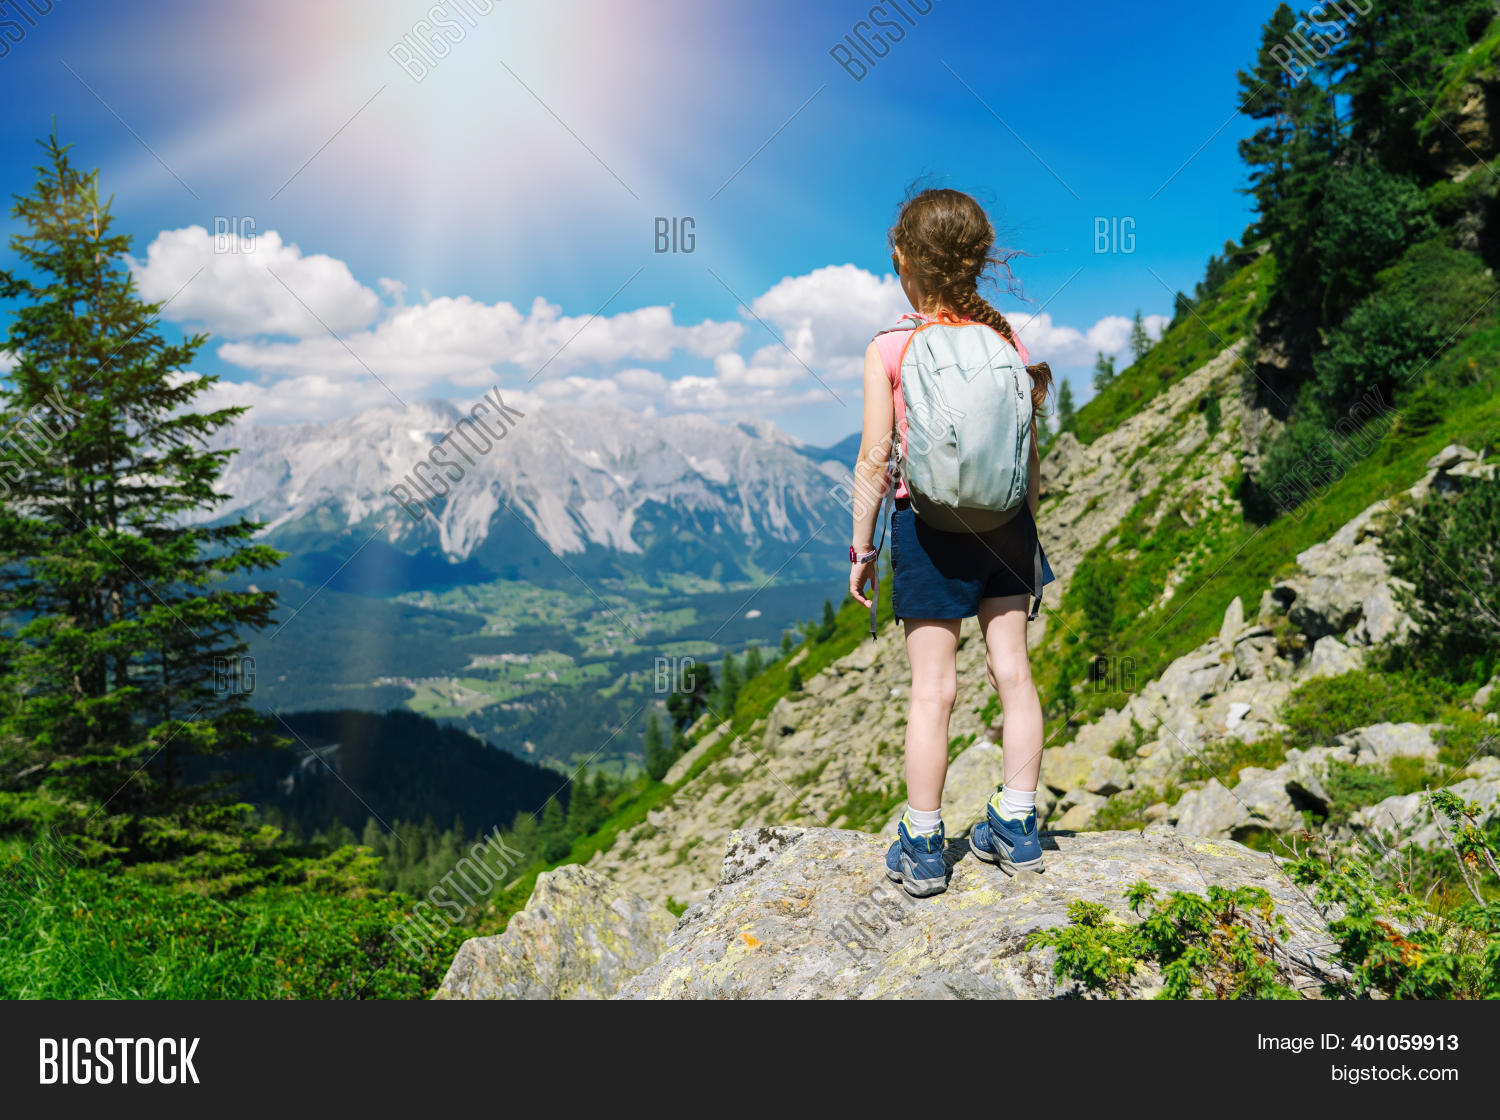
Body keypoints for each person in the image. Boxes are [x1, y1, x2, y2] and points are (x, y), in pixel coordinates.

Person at [849, 188, 1056, 898]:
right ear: (978, 259)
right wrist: (1026, 531)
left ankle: (925, 841)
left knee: (933, 690)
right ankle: (1019, 823)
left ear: (905, 260)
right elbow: (1030, 460)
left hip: (926, 528)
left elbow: (875, 458)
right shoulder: (1008, 344)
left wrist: (862, 550)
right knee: (1014, 672)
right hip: (1005, 527)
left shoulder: (890, 347)